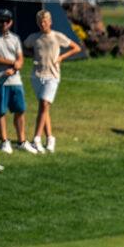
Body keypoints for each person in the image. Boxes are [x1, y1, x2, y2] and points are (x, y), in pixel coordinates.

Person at [22, 9, 81, 154]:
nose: (43, 24)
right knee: (44, 108)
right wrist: (32, 55)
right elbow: (24, 47)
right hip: (37, 76)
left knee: (44, 104)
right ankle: (50, 138)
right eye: (40, 22)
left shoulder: (57, 36)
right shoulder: (34, 38)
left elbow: (76, 48)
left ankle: (36, 138)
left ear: (50, 22)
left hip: (52, 76)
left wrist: (61, 58)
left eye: (45, 21)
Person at [0, 8, 36, 154]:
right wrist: (12, 62)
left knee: (20, 110)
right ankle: (4, 141)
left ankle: (21, 141)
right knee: (1, 112)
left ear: (11, 22)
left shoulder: (15, 38)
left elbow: (20, 58)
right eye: (1, 20)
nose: (4, 23)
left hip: (15, 80)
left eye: (7, 21)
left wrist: (14, 67)